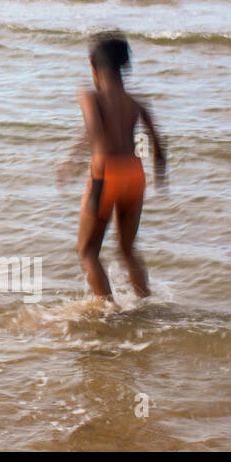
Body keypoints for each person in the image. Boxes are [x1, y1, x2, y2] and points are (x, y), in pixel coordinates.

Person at [59, 31, 166, 300]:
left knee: (87, 251)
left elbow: (94, 131)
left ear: (93, 67)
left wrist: (73, 163)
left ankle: (109, 312)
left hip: (105, 174)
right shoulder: (137, 103)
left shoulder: (90, 96)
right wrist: (160, 178)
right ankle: (145, 304)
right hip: (135, 175)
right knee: (128, 249)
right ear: (123, 67)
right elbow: (159, 149)